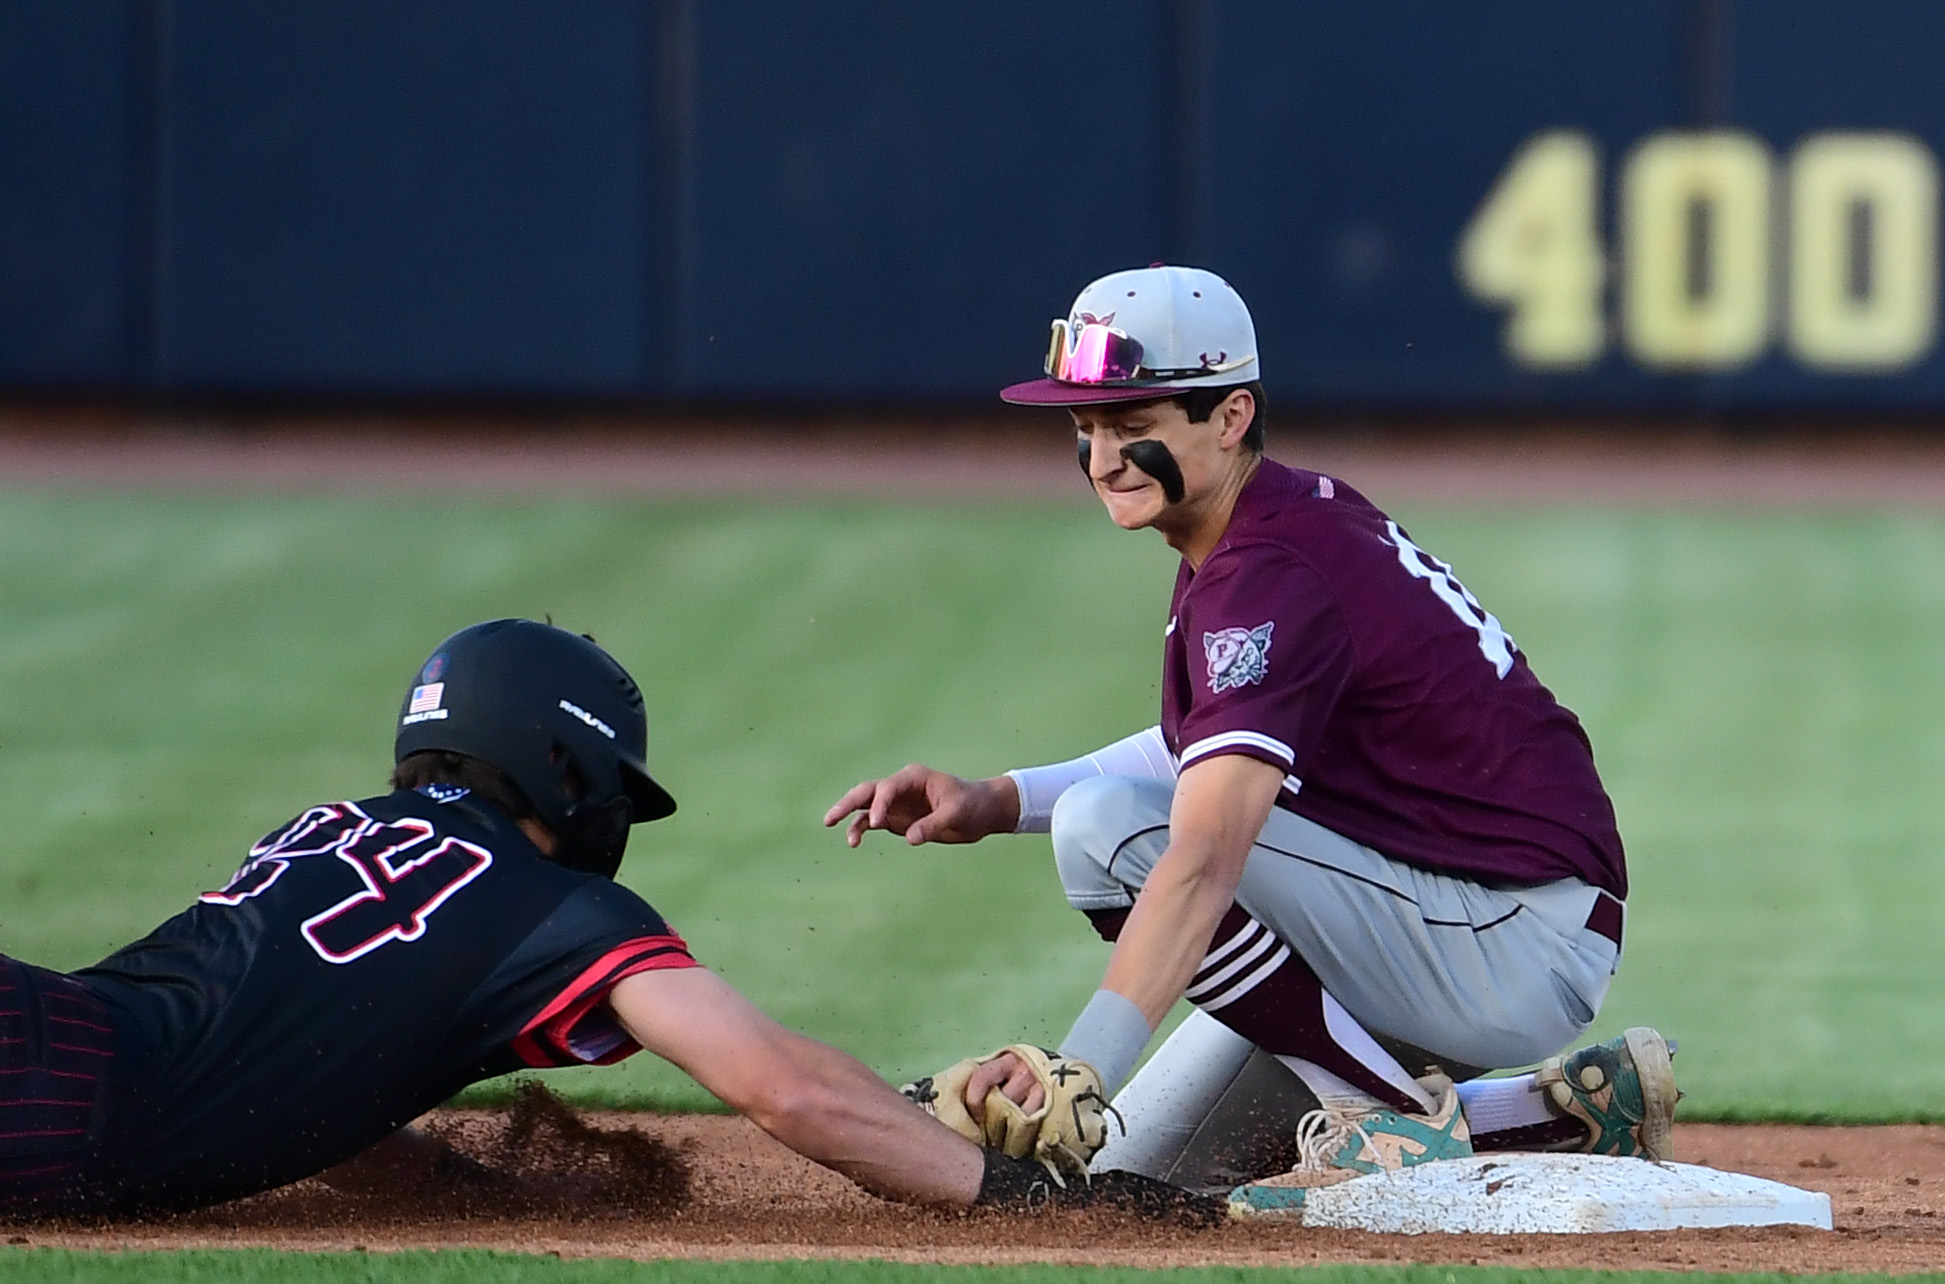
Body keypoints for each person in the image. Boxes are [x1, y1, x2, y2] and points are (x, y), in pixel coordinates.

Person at [826, 265, 1677, 1214]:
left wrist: (1082, 1066)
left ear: (1230, 415)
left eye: (1131, 424)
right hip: (1455, 917)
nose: (1102, 459)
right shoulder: (1266, 522)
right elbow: (1199, 753)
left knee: (1107, 830)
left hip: (1503, 935)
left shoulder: (1270, 569)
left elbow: (1199, 855)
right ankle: (1553, 1116)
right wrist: (997, 800)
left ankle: (1385, 1117)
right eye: (1085, 428)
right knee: (1149, 1167)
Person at [0, 618, 1174, 1220]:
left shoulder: (328, 828)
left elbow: (290, 1087)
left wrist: (479, 1194)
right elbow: (783, 1089)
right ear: (563, 767)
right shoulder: (550, 906)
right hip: (53, 1101)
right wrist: (1021, 1196)